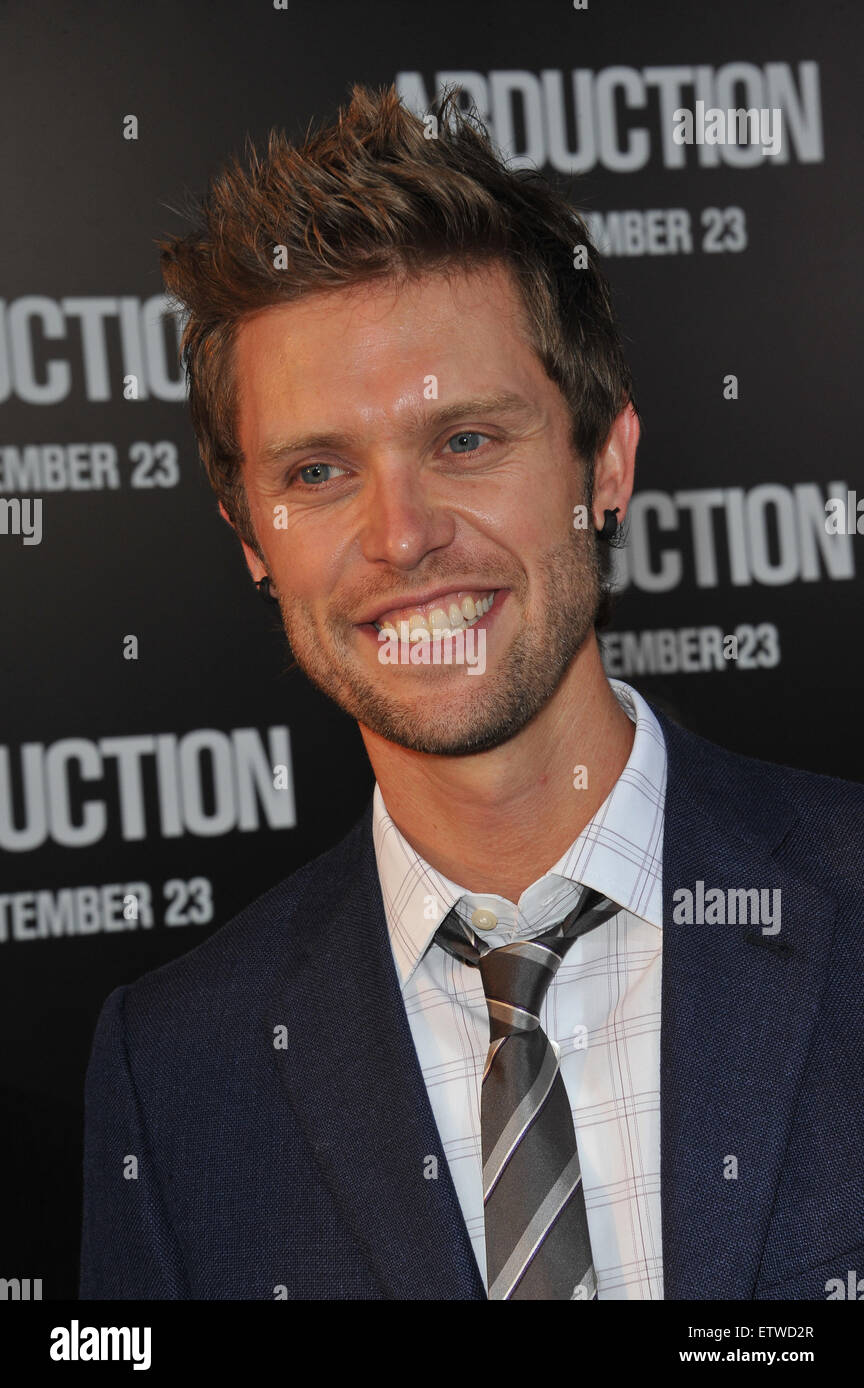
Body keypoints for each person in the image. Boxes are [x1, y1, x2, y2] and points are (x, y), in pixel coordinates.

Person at [80, 83, 864, 1301]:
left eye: (465, 442)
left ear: (604, 460)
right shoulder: (175, 1073)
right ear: (250, 534)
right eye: (320, 469)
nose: (400, 537)